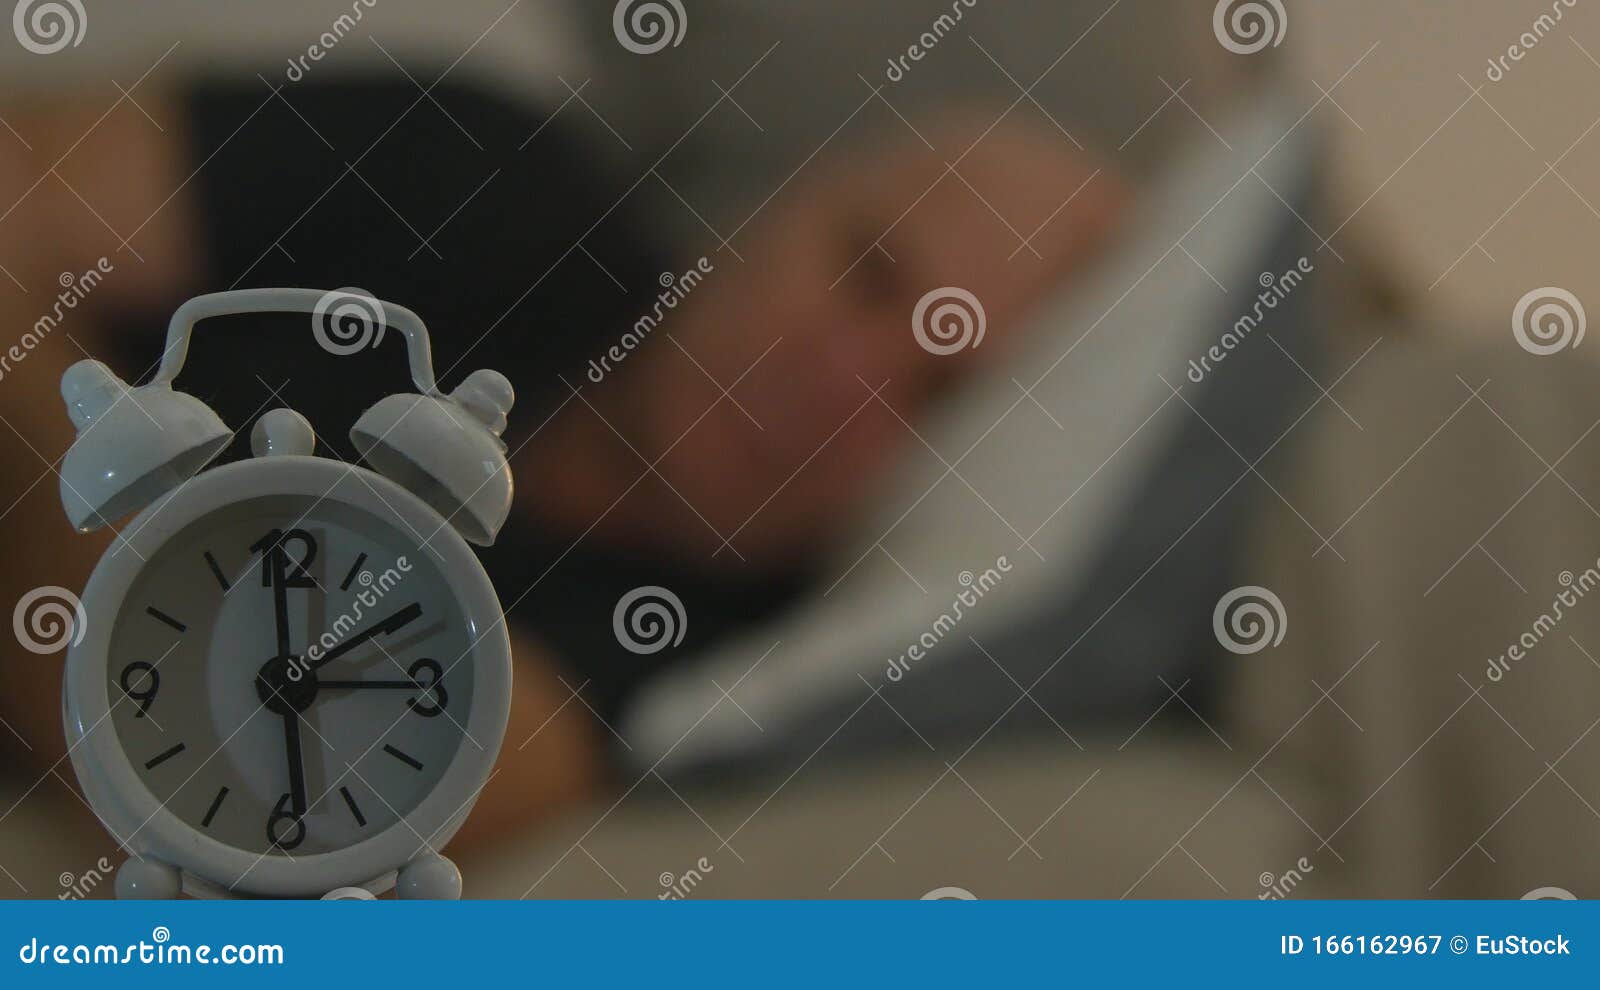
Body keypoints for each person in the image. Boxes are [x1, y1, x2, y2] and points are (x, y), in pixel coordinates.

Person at [0, 0, 1125, 843]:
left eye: (935, 396)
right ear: (780, 208)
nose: (831, 378)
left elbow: (189, 765)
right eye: (866, 272)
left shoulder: (668, 671)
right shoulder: (488, 174)